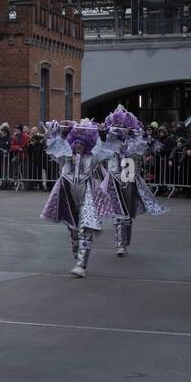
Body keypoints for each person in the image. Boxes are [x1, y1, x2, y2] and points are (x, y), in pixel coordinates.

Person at [40, 119, 120, 278]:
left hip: (87, 195)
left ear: (87, 145)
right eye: (76, 142)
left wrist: (103, 136)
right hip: (67, 194)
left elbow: (103, 151)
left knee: (86, 227)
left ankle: (81, 264)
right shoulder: (65, 157)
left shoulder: (92, 158)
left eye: (82, 143)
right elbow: (55, 149)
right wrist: (63, 134)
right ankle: (78, 257)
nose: (78, 145)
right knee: (73, 230)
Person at [97, 105, 168, 256]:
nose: (118, 127)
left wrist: (134, 138)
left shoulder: (135, 140)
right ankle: (119, 244)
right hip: (113, 176)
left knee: (128, 211)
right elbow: (101, 153)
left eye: (121, 125)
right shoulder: (108, 139)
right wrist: (103, 134)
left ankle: (125, 241)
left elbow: (142, 151)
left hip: (128, 174)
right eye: (116, 125)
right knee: (118, 210)